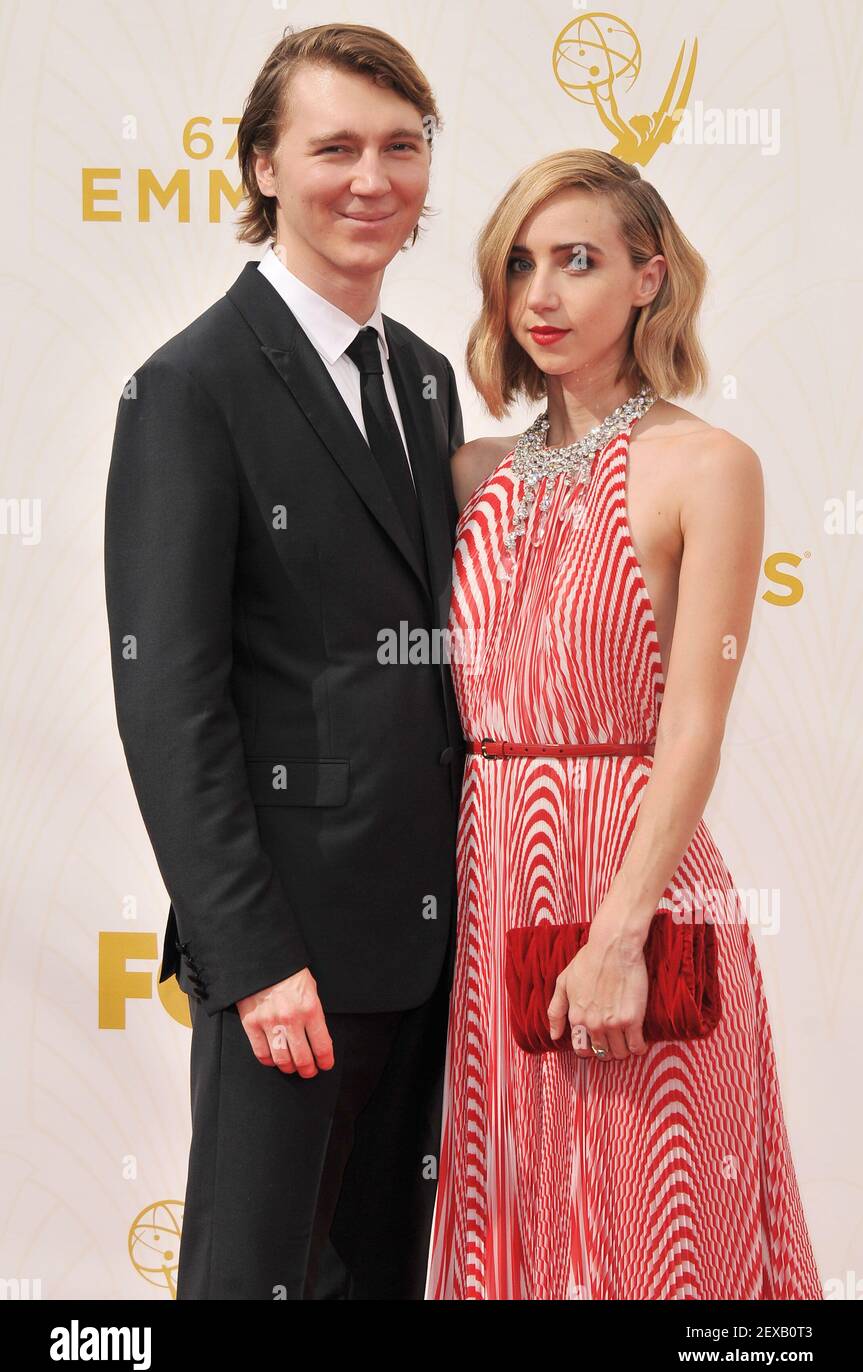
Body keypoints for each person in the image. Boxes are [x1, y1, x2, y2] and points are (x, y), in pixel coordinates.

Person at [104, 24, 465, 1299]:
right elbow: (168, 696)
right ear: (262, 166)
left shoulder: (423, 382)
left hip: (429, 945)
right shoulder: (189, 387)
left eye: (400, 147)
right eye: (333, 148)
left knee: (376, 1278)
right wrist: (252, 957)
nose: (371, 179)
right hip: (287, 950)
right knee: (252, 1276)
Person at [426, 149, 823, 1300]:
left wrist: (616, 934)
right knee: (512, 1222)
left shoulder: (708, 466)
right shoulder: (470, 473)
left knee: (666, 1229)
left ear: (648, 278)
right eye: (518, 264)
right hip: (494, 874)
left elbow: (693, 729)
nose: (540, 295)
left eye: (578, 261)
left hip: (634, 884)